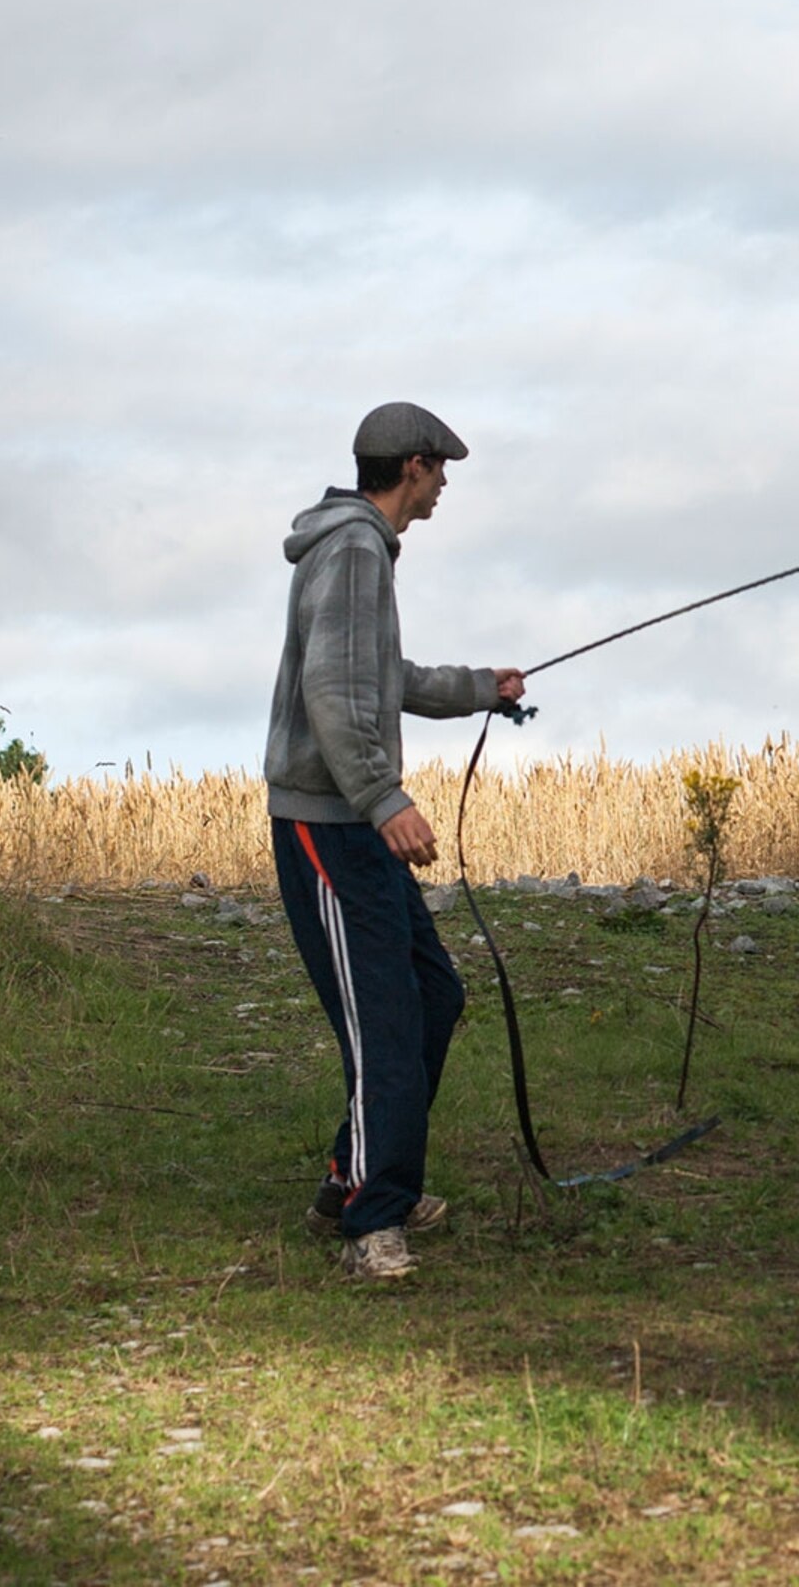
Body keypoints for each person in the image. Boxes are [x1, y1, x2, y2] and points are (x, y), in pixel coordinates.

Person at [265, 401, 526, 1279]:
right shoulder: (350, 550)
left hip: (352, 823)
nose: (446, 483)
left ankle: (356, 1177)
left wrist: (482, 688)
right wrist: (384, 800)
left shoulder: (363, 553)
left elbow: (386, 677)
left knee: (432, 995)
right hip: (329, 826)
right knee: (385, 1021)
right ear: (411, 466)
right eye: (441, 468)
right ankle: (373, 1224)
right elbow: (332, 694)